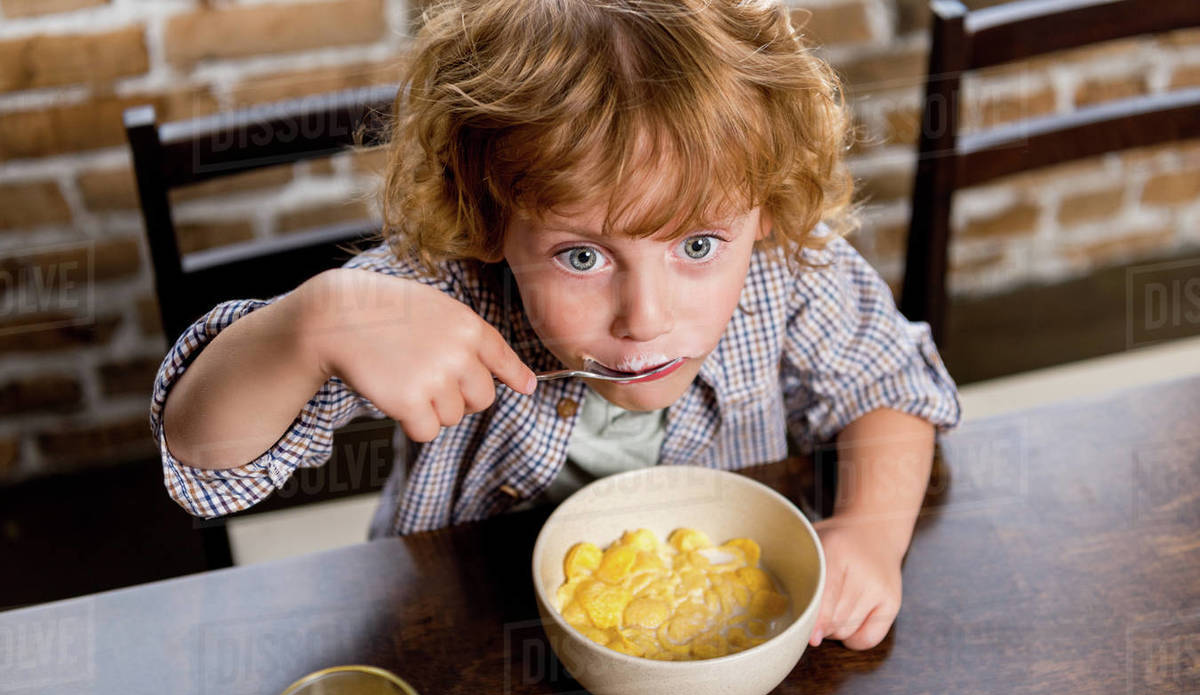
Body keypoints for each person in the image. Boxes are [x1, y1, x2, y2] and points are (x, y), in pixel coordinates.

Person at [150, 0, 961, 650]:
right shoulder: (436, 293)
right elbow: (203, 454)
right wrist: (312, 321)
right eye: (582, 257)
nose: (645, 318)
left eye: (700, 245)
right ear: (489, 216)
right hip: (462, 639)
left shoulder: (787, 270)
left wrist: (869, 530)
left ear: (768, 209)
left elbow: (888, 383)